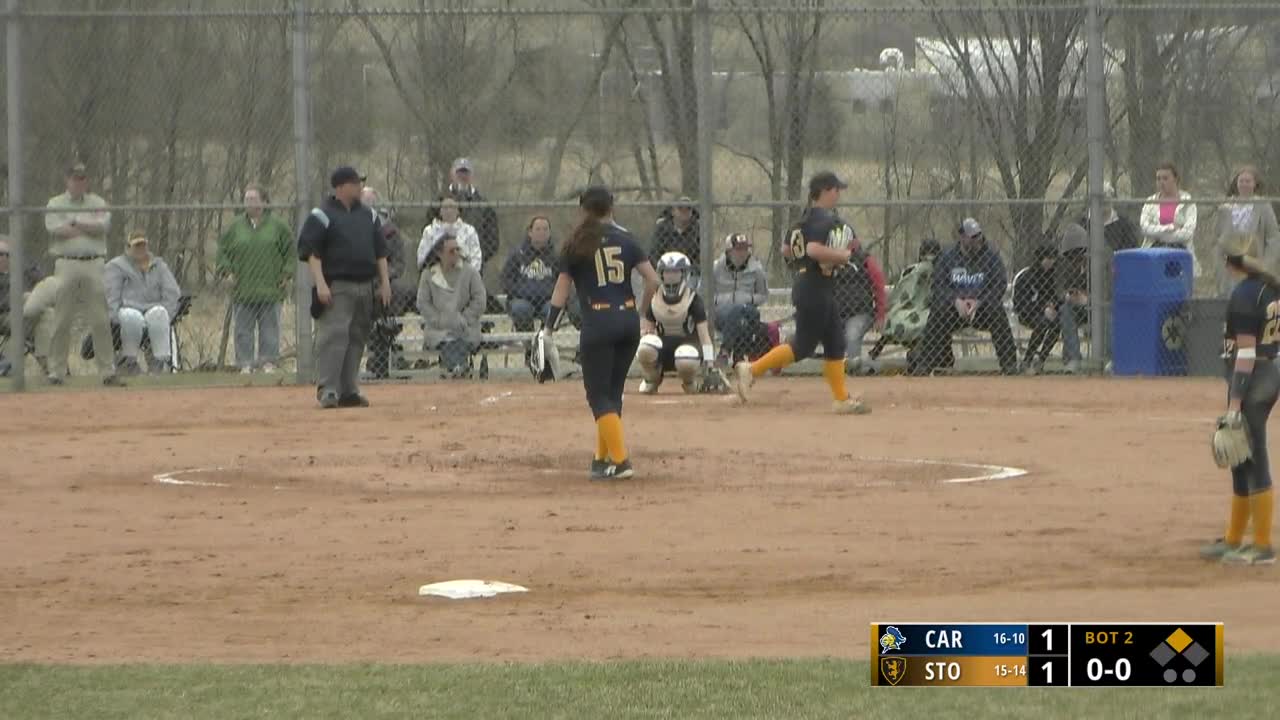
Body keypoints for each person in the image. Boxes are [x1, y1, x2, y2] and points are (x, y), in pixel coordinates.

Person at [544, 186, 660, 481]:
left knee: (598, 395)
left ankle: (621, 461)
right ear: (611, 207)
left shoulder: (577, 243)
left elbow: (561, 289)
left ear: (583, 209)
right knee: (612, 391)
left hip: (598, 321)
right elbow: (653, 280)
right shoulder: (627, 239)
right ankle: (601, 458)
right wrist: (644, 312)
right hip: (627, 321)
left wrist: (549, 326)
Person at [732, 171, 870, 414]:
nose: (838, 195)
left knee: (835, 342)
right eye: (836, 190)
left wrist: (803, 265)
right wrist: (843, 256)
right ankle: (751, 370)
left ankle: (841, 399)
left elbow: (787, 250)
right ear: (826, 191)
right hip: (816, 287)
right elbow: (814, 249)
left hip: (813, 285)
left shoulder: (802, 220)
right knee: (804, 345)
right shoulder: (822, 219)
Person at [1201, 233, 1277, 565]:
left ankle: (1261, 546)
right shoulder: (1268, 287)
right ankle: (1234, 538)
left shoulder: (1245, 294)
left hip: (1255, 378)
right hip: (1268, 371)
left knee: (1253, 455)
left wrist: (1234, 402)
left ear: (1230, 264)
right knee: (1241, 458)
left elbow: (1245, 352)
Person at [298, 165, 392, 409]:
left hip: (365, 286)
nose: (360, 187)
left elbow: (381, 252)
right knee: (334, 337)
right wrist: (320, 284)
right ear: (341, 187)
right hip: (337, 286)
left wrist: (385, 283)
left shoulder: (368, 215)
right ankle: (328, 389)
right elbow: (311, 253)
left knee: (357, 337)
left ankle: (349, 389)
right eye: (355, 183)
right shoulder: (322, 214)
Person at [43, 162, 123, 386]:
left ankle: (107, 372)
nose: (78, 183)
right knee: (61, 319)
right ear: (66, 180)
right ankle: (56, 372)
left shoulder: (97, 202)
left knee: (100, 319)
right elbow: (56, 230)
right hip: (66, 264)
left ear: (86, 181)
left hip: (94, 263)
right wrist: (88, 226)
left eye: (82, 179)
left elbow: (102, 226)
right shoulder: (55, 203)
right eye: (74, 178)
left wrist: (75, 222)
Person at [912, 218, 1018, 376]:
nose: (977, 240)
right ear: (962, 237)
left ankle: (1009, 364)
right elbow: (938, 286)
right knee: (938, 311)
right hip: (955, 309)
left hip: (982, 309)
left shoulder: (991, 257)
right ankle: (925, 364)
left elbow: (999, 285)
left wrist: (980, 301)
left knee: (997, 311)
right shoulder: (947, 257)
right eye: (972, 237)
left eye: (979, 236)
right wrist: (955, 301)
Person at [215, 184, 294, 374]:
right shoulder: (235, 227)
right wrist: (226, 272)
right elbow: (222, 251)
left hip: (271, 288)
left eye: (253, 198)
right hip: (243, 289)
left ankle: (268, 364)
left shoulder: (278, 226)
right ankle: (245, 364)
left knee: (270, 330)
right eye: (246, 199)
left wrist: (287, 274)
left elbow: (291, 253)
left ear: (264, 201)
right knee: (243, 331)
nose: (249, 202)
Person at [637, 251, 716, 394]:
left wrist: (710, 363)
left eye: (675, 272)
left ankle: (689, 382)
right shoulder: (654, 297)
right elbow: (646, 329)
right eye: (667, 272)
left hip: (688, 346)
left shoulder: (693, 299)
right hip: (664, 347)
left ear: (684, 274)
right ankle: (652, 379)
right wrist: (645, 335)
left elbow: (704, 336)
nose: (670, 276)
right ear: (661, 274)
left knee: (686, 356)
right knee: (646, 346)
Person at [104, 232, 181, 375]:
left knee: (160, 313)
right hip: (127, 309)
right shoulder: (116, 266)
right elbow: (111, 295)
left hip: (152, 308)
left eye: (143, 245)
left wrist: (168, 315)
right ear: (128, 247)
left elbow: (172, 292)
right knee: (131, 317)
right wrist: (113, 319)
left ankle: (159, 363)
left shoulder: (159, 265)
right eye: (136, 245)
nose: (140, 249)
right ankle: (129, 361)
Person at [416, 231, 487, 378]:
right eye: (451, 251)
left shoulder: (470, 272)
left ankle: (454, 370)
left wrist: (464, 318)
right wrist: (439, 320)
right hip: (438, 327)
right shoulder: (428, 275)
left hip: (465, 326)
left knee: (459, 340)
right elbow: (422, 302)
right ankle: (459, 369)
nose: (456, 253)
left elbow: (480, 299)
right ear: (440, 253)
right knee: (447, 340)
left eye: (458, 249)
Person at [361, 186, 414, 380]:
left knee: (400, 292)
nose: (370, 208)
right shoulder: (354, 228)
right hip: (364, 282)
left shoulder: (391, 231)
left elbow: (398, 264)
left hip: (387, 284)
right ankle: (377, 358)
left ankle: (387, 353)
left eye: (373, 203)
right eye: (365, 204)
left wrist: (384, 279)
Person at [869, 238, 941, 367]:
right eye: (927, 254)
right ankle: (916, 354)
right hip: (907, 308)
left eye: (932, 255)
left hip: (926, 309)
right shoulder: (913, 270)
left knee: (926, 323)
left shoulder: (941, 271)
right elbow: (902, 291)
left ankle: (917, 355)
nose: (929, 259)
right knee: (898, 319)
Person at [1214, 166, 1280, 297]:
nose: (1244, 184)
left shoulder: (1264, 206)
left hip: (1254, 261)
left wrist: (1267, 264)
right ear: (1236, 183)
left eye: (1248, 181)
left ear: (1255, 184)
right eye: (1241, 181)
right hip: (1231, 262)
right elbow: (1217, 235)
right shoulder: (1226, 205)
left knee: (1253, 298)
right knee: (1232, 297)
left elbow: (1273, 238)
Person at [832, 234, 887, 374]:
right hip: (837, 313)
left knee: (852, 334)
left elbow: (879, 288)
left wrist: (880, 316)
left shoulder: (865, 260)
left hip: (861, 313)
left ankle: (853, 370)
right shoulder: (832, 260)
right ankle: (855, 366)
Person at [712, 233, 769, 362]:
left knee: (741, 311)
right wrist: (727, 299)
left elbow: (763, 296)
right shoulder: (716, 268)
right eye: (738, 249)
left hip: (748, 310)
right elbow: (704, 294)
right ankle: (739, 358)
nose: (743, 253)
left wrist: (745, 299)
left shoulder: (756, 269)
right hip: (722, 311)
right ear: (729, 251)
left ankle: (725, 351)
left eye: (745, 249)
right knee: (740, 322)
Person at [502, 216, 562, 332]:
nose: (542, 233)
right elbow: (506, 279)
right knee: (521, 309)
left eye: (545, 229)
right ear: (530, 232)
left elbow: (561, 280)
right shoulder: (517, 254)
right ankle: (529, 345)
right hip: (521, 299)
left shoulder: (555, 257)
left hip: (547, 299)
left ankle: (543, 340)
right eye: (538, 229)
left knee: (552, 309)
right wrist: (521, 291)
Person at [1141, 161, 1199, 277]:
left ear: (1175, 179)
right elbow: (1144, 227)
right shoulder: (1150, 202)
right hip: (1154, 249)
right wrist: (1170, 228)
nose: (1161, 182)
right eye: (1158, 179)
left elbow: (1187, 233)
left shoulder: (1188, 202)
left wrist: (1159, 233)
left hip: (1179, 249)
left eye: (1165, 178)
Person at [1013, 244, 1060, 376]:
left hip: (1044, 313)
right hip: (1027, 313)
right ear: (1040, 258)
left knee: (1057, 323)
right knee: (1043, 322)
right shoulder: (1026, 277)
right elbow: (1019, 305)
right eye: (1048, 258)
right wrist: (1042, 309)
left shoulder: (1051, 276)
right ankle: (1027, 360)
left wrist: (1052, 305)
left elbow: (1054, 296)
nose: (1051, 261)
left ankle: (1041, 360)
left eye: (1053, 258)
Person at [419, 196, 482, 274]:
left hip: (463, 276)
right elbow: (422, 257)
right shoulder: (429, 231)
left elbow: (476, 258)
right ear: (440, 211)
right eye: (445, 208)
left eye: (452, 207)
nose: (449, 211)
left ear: (458, 211)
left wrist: (468, 276)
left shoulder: (469, 231)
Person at [1057, 223, 1090, 374]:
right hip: (1076, 308)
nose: (1076, 259)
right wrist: (1069, 296)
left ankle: (1109, 358)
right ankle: (1074, 358)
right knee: (1065, 309)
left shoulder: (1097, 262)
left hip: (1095, 306)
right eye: (1072, 255)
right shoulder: (1064, 265)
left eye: (1079, 253)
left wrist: (1088, 299)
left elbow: (1106, 291)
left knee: (1106, 310)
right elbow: (1058, 289)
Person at [651, 196, 702, 269]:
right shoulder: (662, 228)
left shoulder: (697, 229)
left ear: (692, 212)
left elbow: (700, 257)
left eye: (688, 208)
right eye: (680, 208)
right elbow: (653, 253)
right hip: (666, 270)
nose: (684, 211)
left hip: (691, 272)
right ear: (672, 211)